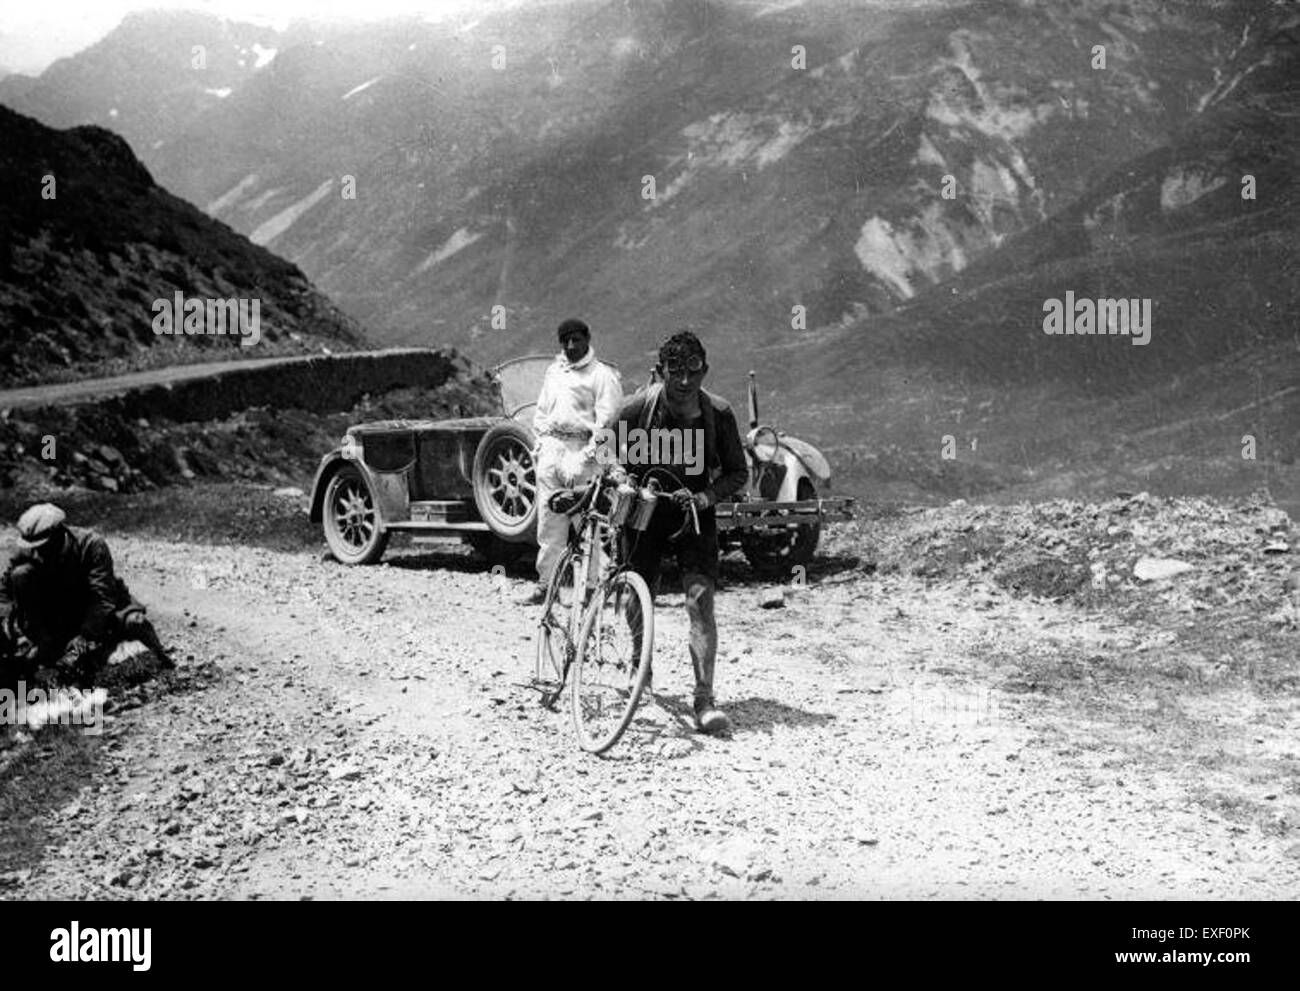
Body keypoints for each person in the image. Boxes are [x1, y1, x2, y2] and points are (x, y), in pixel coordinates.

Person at [607, 331, 748, 735]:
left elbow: (739, 472)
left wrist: (707, 496)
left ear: (705, 370)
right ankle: (640, 670)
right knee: (638, 591)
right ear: (660, 371)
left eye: (692, 372)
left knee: (700, 602)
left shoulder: (717, 413)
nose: (684, 382)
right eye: (674, 372)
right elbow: (607, 455)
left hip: (693, 513)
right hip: (645, 511)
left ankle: (704, 699)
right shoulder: (635, 410)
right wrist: (622, 479)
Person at [0, 503, 173, 685]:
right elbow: (4, 591)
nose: (40, 552)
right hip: (57, 611)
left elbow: (103, 595)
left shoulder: (91, 544)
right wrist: (5, 624)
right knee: (20, 575)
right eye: (35, 547)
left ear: (59, 534)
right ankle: (41, 654)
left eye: (44, 546)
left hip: (97, 606)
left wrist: (86, 634)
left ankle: (164, 664)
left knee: (135, 622)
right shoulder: (27, 550)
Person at [526, 318, 623, 604]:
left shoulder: (602, 375)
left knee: (587, 523)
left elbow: (609, 421)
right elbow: (542, 411)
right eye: (565, 341)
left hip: (583, 450)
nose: (571, 346)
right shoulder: (554, 371)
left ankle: (594, 588)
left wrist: (588, 457)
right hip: (553, 449)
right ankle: (547, 584)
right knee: (549, 521)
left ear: (587, 339)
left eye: (576, 340)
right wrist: (542, 444)